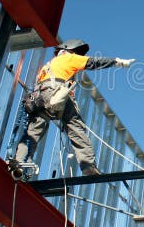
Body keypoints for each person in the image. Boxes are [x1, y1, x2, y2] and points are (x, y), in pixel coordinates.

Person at [11, 39, 134, 178]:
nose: (77, 55)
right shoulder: (69, 58)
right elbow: (93, 62)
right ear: (68, 50)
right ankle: (88, 166)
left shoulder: (48, 66)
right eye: (76, 52)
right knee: (76, 128)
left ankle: (20, 162)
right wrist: (117, 61)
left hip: (39, 98)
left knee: (33, 132)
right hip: (56, 93)